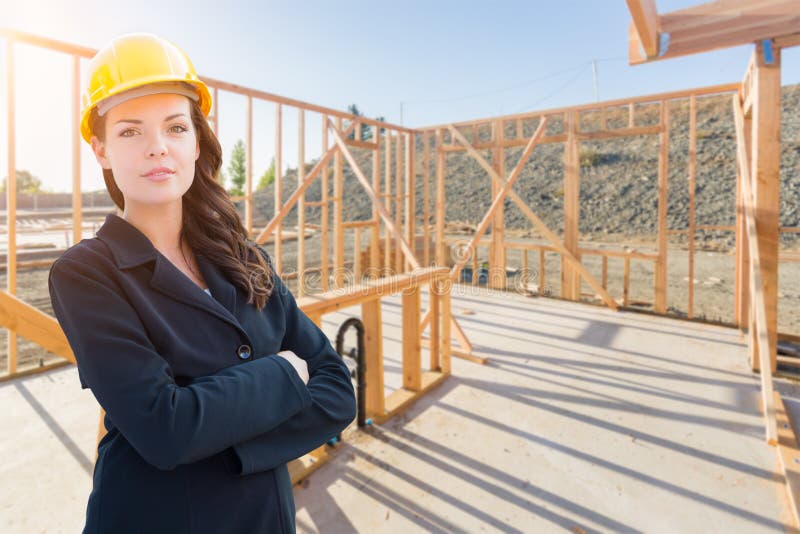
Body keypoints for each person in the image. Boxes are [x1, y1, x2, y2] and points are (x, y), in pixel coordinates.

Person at [47, 33, 357, 533]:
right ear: (100, 148)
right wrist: (283, 377)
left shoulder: (244, 259)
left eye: (175, 127)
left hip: (265, 518)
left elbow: (338, 392)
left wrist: (212, 424)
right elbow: (165, 430)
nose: (157, 148)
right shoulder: (87, 274)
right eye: (130, 132)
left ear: (195, 140)